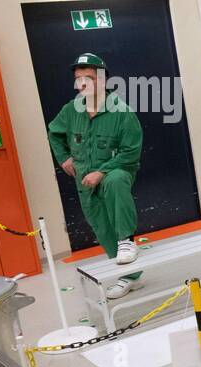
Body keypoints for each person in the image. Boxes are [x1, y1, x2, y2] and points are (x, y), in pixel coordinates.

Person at [47, 53, 144, 300]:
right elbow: (54, 132)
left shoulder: (121, 112)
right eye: (78, 79)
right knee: (101, 227)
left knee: (115, 181)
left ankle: (127, 240)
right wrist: (64, 158)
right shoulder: (71, 110)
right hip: (84, 181)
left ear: (102, 80)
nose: (82, 84)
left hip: (115, 171)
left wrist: (102, 171)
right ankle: (129, 277)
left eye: (88, 78)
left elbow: (131, 151)